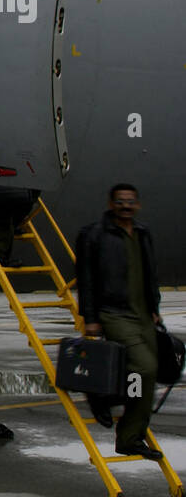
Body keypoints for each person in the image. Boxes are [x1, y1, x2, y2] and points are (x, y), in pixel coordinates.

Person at [75, 184, 162, 460]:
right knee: (144, 368)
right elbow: (86, 278)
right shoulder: (94, 235)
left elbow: (150, 272)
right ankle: (126, 432)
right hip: (113, 313)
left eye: (130, 201)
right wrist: (90, 317)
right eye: (120, 201)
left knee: (152, 373)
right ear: (111, 204)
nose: (126, 206)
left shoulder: (143, 233)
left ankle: (123, 428)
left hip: (142, 314)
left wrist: (154, 306)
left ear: (137, 205)